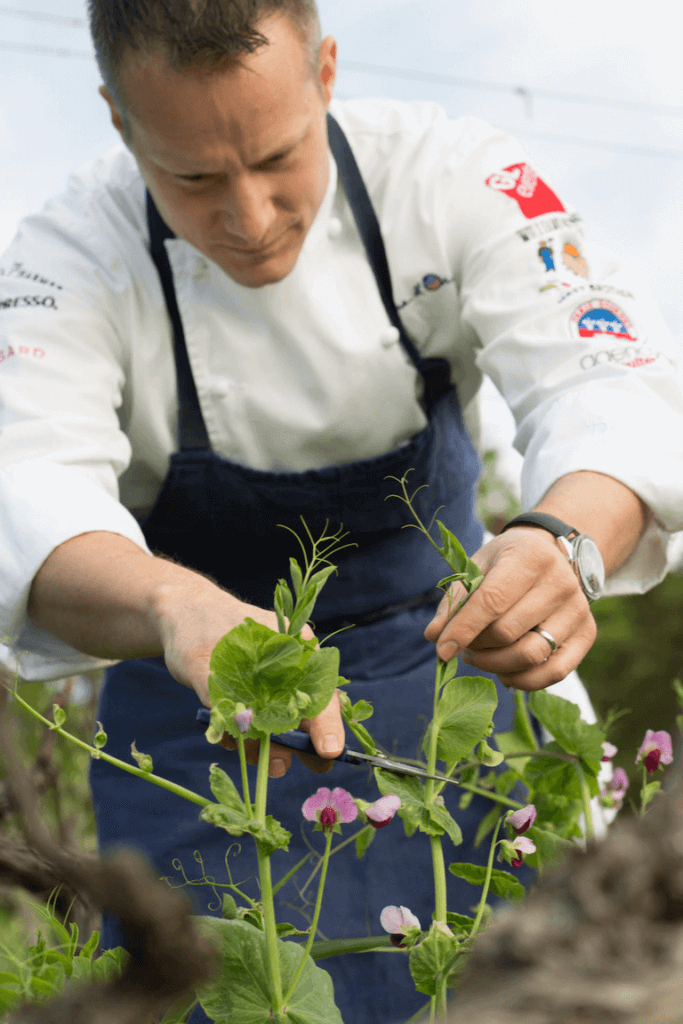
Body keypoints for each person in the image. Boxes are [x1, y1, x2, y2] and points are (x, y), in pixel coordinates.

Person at [1, 1, 682, 1021]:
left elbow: (600, 376)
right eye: (190, 177)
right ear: (116, 118)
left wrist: (562, 537)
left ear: (323, 70)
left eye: (278, 156)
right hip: (208, 725)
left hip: (456, 676)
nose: (249, 215)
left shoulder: (452, 177)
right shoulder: (66, 257)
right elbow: (25, 486)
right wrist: (175, 609)